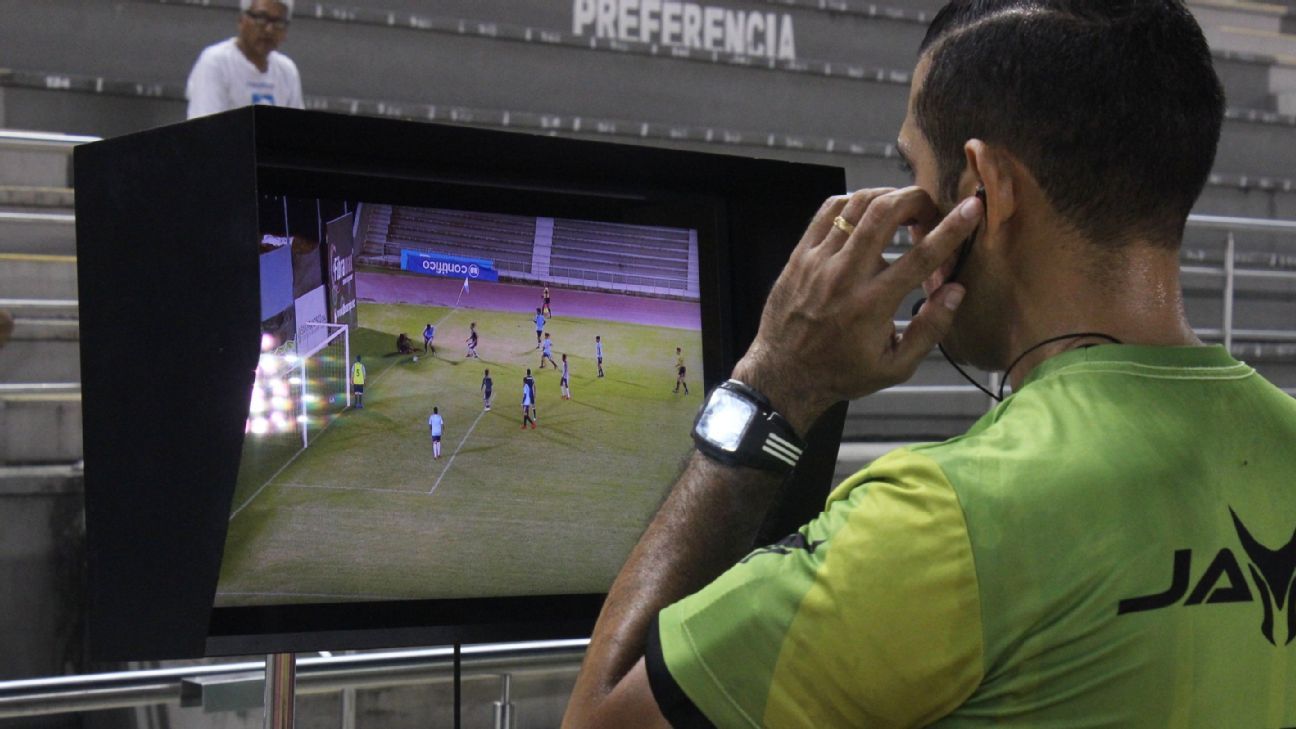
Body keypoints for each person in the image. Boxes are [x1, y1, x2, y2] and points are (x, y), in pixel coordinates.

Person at [563, 2, 1296, 728]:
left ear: (985, 189)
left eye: (914, 173)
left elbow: (600, 721)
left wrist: (773, 383)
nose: (910, 216)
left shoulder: (944, 519)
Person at [185, 0, 304, 119]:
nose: (269, 30)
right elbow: (206, 130)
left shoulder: (287, 71)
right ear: (241, 20)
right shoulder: (215, 62)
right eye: (261, 18)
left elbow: (297, 129)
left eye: (278, 22)